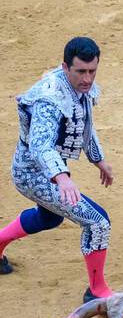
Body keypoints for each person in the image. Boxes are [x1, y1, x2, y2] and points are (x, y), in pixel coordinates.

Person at [0, 38, 116, 300]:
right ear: (65, 67)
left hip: (47, 172)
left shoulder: (79, 88)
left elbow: (84, 124)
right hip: (32, 174)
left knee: (50, 217)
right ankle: (97, 291)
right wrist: (61, 178)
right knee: (97, 222)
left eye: (92, 71)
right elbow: (41, 147)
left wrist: (98, 160)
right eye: (81, 72)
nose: (88, 79)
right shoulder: (49, 99)